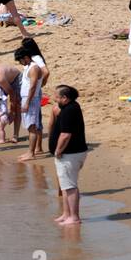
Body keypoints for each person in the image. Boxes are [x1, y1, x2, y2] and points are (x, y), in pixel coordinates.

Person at [50, 85, 87, 225]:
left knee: (70, 186)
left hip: (70, 154)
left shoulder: (69, 111)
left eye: (57, 97)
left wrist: (58, 151)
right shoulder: (71, 107)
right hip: (73, 153)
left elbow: (65, 135)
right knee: (65, 185)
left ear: (65, 98)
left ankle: (74, 217)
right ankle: (66, 214)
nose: (55, 99)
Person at [16, 44, 49, 161]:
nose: (21, 63)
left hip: (32, 99)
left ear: (26, 57)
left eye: (20, 60)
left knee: (32, 127)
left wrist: (27, 103)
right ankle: (30, 152)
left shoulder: (34, 68)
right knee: (30, 127)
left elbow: (33, 87)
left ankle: (31, 153)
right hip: (27, 98)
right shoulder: (28, 67)